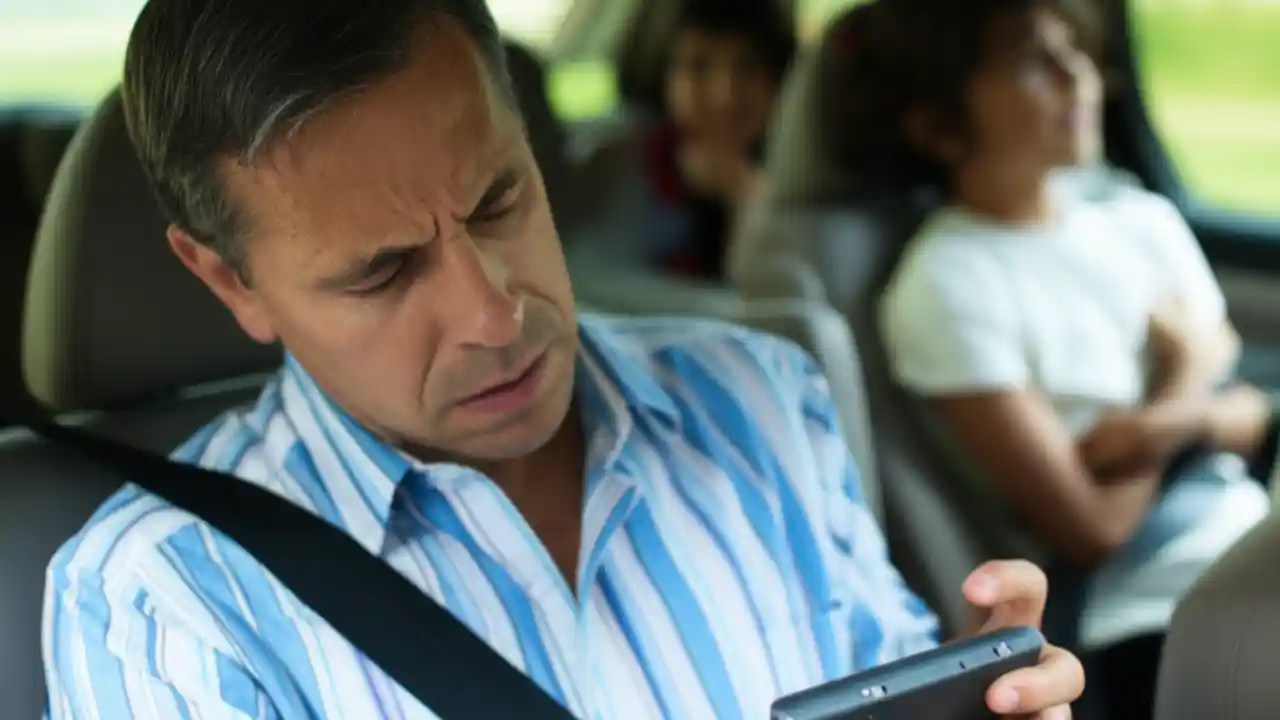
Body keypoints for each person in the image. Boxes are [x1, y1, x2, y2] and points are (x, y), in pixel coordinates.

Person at [41, 1, 1082, 718]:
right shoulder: (166, 602)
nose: (494, 314)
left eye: (500, 201)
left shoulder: (759, 400)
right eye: (382, 274)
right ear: (229, 282)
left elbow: (878, 676)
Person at [829, 0, 1276, 717]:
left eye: (1074, 52)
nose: (1078, 77)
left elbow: (1254, 419)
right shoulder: (947, 281)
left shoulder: (1138, 218)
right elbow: (1090, 529)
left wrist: (1150, 424)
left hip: (1250, 539)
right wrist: (1187, 381)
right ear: (939, 125)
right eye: (1033, 62)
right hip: (1151, 608)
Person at [576, 0, 794, 281]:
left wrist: (747, 193)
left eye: (749, 67)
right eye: (698, 66)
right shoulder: (624, 165)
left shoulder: (800, 172)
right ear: (662, 74)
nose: (724, 94)